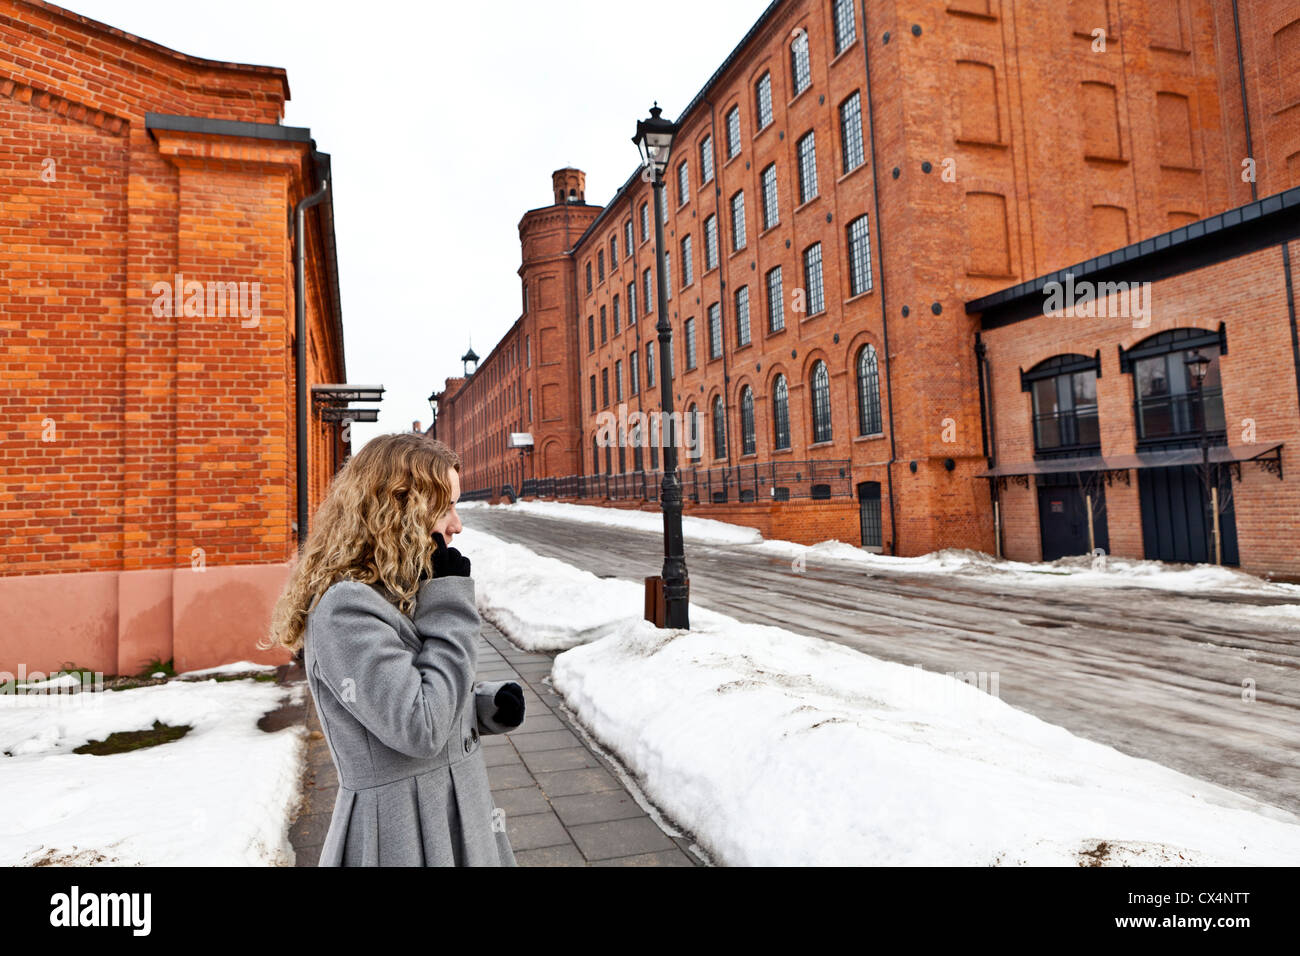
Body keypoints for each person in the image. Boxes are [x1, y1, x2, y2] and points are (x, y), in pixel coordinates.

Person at [263, 432, 524, 866]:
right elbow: (419, 727)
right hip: (401, 833)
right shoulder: (345, 610)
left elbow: (414, 690)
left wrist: (483, 706)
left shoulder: (398, 587)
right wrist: (451, 604)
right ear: (402, 508)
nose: (456, 525)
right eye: (447, 507)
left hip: (455, 812)